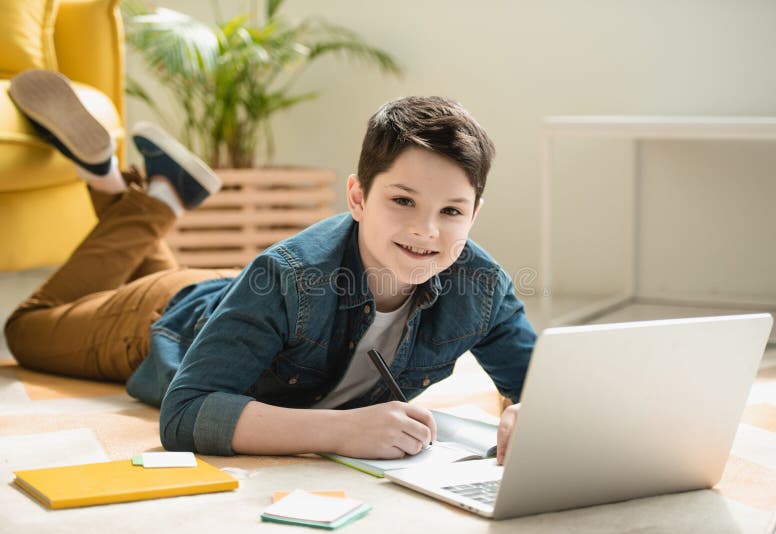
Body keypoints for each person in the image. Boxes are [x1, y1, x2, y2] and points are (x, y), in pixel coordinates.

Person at [4, 69, 537, 464]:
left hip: (232, 298)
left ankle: (135, 188)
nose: (427, 231)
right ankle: (150, 196)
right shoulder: (290, 276)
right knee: (28, 328)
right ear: (357, 197)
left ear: (475, 214)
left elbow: (541, 383)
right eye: (402, 201)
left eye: (451, 212)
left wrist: (528, 412)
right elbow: (185, 413)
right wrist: (338, 431)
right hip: (157, 321)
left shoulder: (480, 284)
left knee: (156, 274)